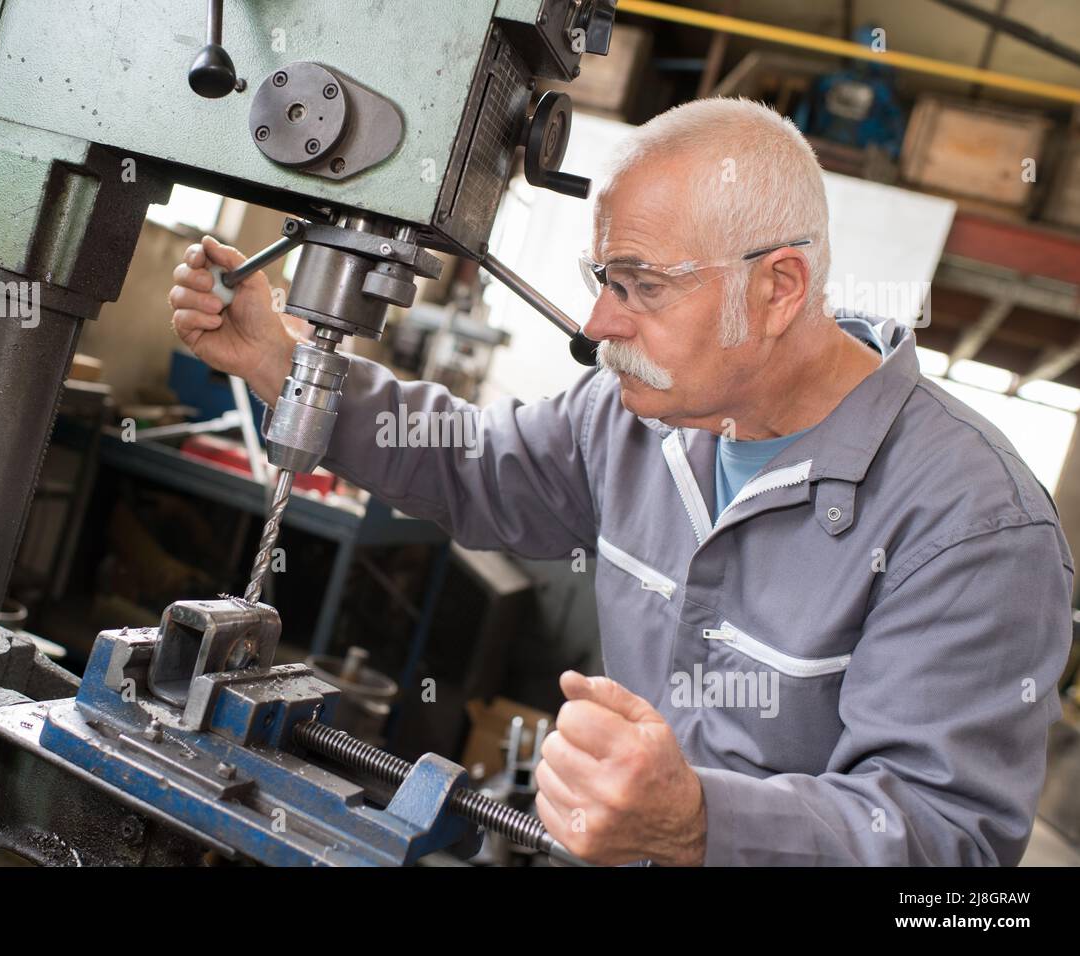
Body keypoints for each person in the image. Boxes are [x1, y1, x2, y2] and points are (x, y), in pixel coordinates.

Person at [169, 97, 1073, 866]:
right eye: (602, 279)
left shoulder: (974, 525)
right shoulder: (634, 415)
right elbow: (475, 466)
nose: (600, 322)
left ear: (778, 288)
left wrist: (701, 824)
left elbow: (945, 839)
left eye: (639, 285)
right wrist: (284, 364)